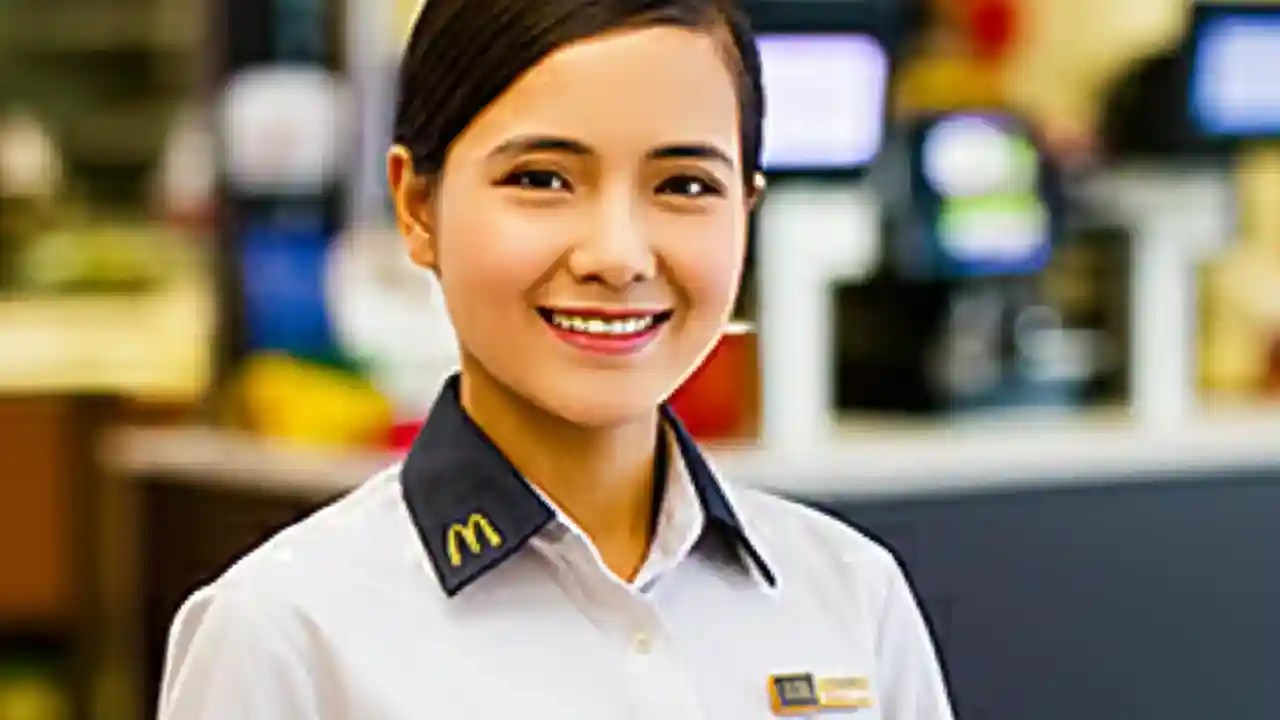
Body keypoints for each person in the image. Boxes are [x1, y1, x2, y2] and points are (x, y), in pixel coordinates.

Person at [157, 0, 955, 718]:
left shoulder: (852, 596)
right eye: (541, 178)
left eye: (682, 185)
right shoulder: (285, 633)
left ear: (745, 210)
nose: (617, 255)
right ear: (417, 205)